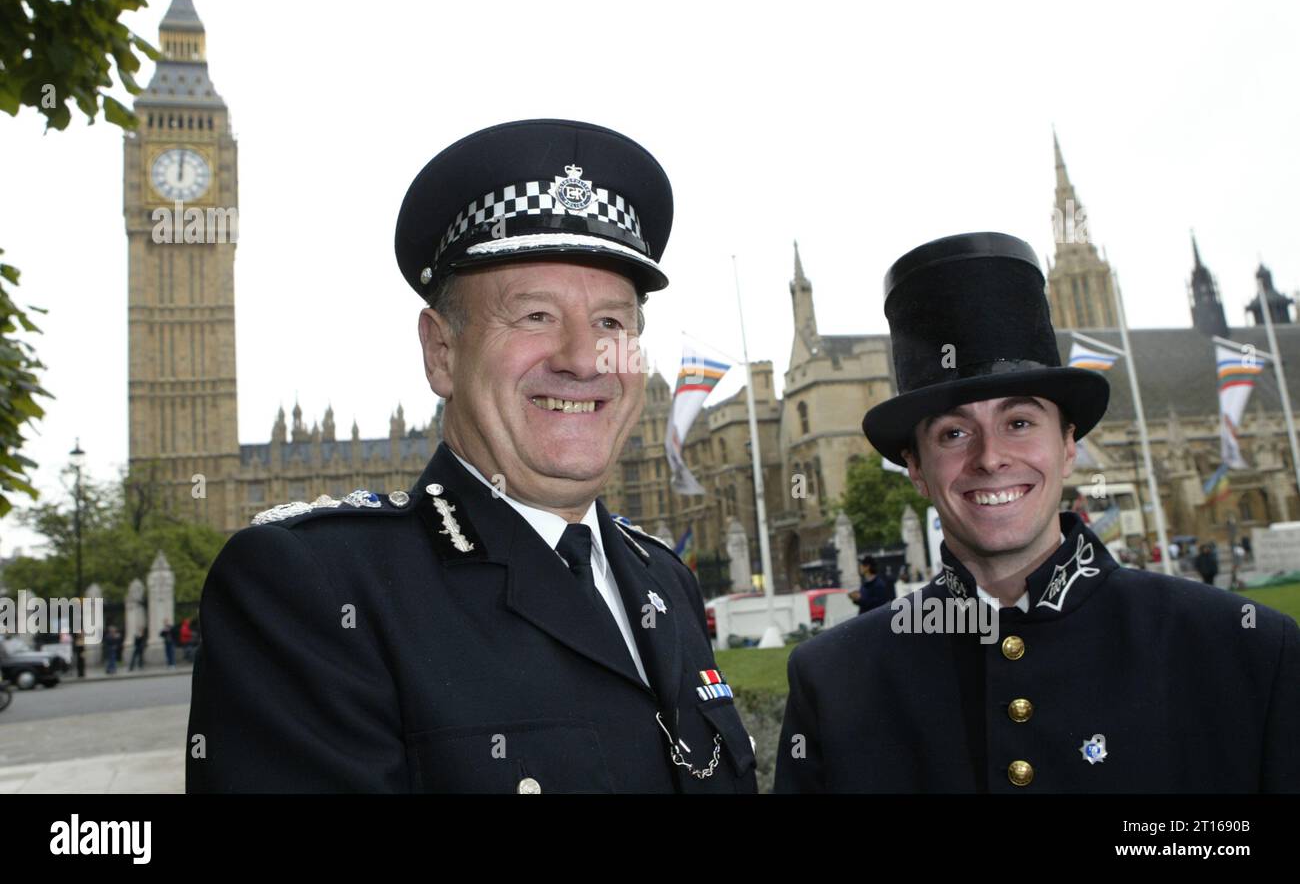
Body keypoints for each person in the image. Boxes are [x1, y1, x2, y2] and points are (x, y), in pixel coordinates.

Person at [187, 120, 757, 793]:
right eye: (535, 316)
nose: (583, 358)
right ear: (442, 352)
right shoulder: (312, 592)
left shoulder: (666, 579)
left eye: (612, 322)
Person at [775, 232, 1299, 792]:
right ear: (917, 468)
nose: (991, 457)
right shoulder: (834, 683)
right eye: (954, 433)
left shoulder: (1246, 653)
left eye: (1019, 422)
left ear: (1069, 444)